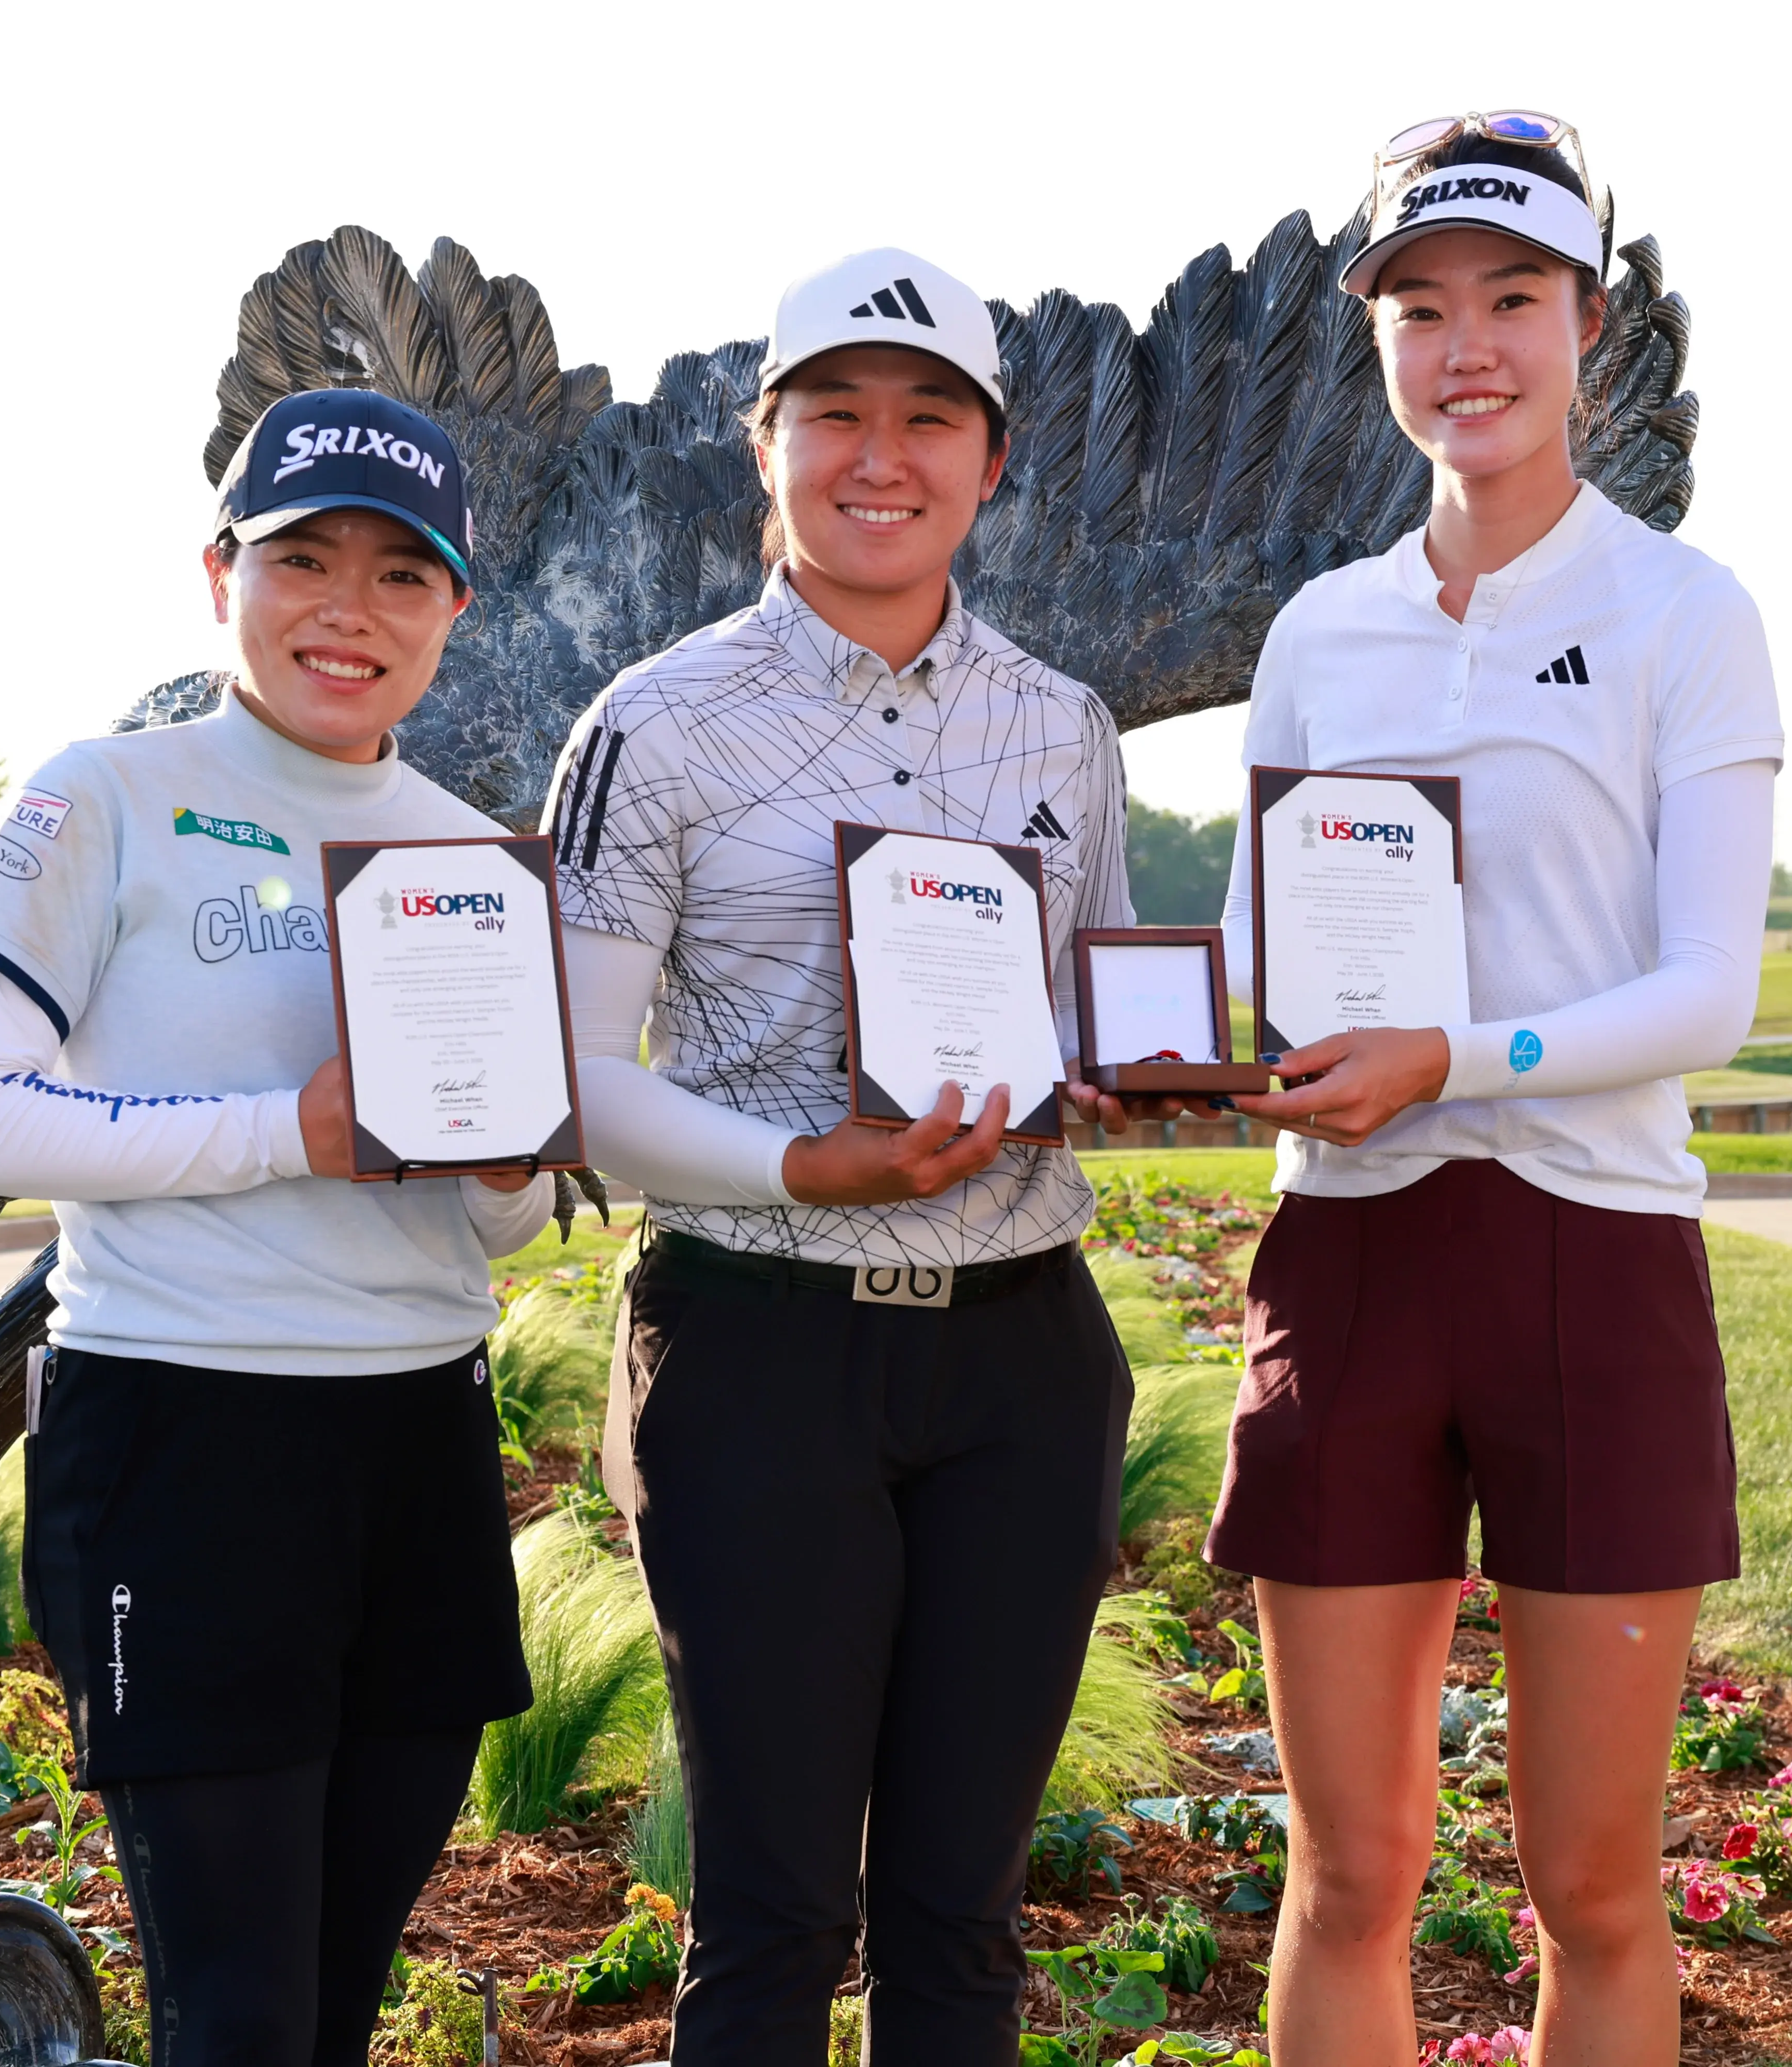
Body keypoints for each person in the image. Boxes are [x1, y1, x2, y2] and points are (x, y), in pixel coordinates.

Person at [541, 248, 1173, 2065]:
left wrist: (1130, 1080)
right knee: (772, 1915)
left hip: (1021, 1355)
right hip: (762, 1348)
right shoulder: (653, 721)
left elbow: (1091, 1009)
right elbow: (566, 1081)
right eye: (835, 413)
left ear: (991, 460)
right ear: (767, 444)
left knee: (964, 1923)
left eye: (929, 418)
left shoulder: (1063, 722)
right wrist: (805, 1167)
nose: (880, 456)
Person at [1212, 115, 1783, 2065]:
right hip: (1350, 1257)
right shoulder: (1323, 627)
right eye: (1424, 308)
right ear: (1378, 337)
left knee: (1594, 1884)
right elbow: (1260, 947)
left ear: (1588, 327)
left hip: (1594, 1260)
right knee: (1348, 1877)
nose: (1470, 348)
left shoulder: (1684, 613)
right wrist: (1187, 1042)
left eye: (1513, 300)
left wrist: (1457, 1060)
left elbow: (1711, 990)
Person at [0, 387, 550, 2067]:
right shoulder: (102, 796)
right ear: (220, 576)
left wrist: (501, 1162)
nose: (351, 609)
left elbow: (506, 1223)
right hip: (184, 1437)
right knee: (240, 2016)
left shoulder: (474, 854)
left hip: (422, 1438)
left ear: (454, 608)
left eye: (401, 573)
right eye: (304, 558)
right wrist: (291, 1132)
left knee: (336, 2004)